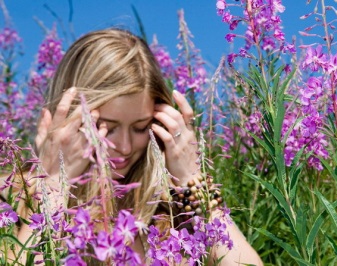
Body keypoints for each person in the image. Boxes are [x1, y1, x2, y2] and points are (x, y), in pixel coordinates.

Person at [4, 28, 262, 265]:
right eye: (107, 126)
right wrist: (52, 185)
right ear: (68, 118)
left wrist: (192, 182)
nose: (125, 147)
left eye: (140, 127)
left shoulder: (168, 216)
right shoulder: (8, 201)